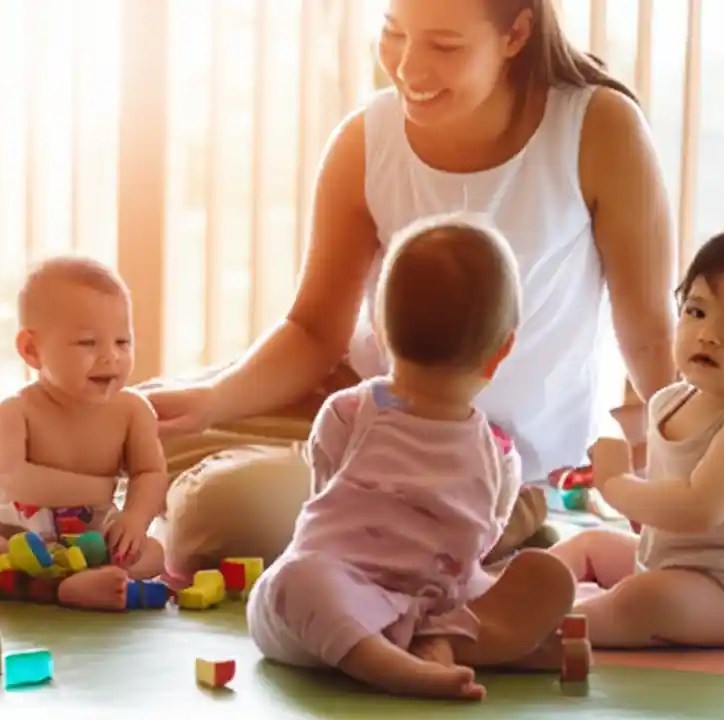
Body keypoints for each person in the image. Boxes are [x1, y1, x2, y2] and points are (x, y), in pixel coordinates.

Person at [141, 0, 677, 582]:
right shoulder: (365, 139)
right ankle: (170, 473)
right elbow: (315, 331)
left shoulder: (598, 130)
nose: (409, 69)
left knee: (218, 518)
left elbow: (648, 335)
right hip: (355, 415)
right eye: (394, 35)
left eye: (444, 47)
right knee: (112, 422)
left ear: (516, 33)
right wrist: (213, 400)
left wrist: (683, 472)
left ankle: (184, 492)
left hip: (495, 468)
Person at [246, 214, 578, 700]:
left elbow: (322, 487)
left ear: (380, 331)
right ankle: (433, 650)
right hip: (393, 598)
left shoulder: (349, 413)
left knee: (546, 576)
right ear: (501, 352)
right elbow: (485, 535)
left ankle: (412, 652)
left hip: (400, 602)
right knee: (306, 579)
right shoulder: (499, 454)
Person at [549, 227, 724, 649]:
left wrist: (616, 485)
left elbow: (695, 509)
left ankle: (539, 628)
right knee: (588, 545)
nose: (707, 335)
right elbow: (663, 496)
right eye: (696, 311)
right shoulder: (669, 401)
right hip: (677, 562)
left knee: (643, 600)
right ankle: (497, 595)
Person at [0, 256, 168, 611]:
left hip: (85, 537)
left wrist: (134, 520)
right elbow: (13, 477)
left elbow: (150, 472)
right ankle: (57, 589)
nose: (111, 357)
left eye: (122, 342)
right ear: (31, 350)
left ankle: (74, 581)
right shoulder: (17, 410)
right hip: (9, 530)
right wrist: (99, 488)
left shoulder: (133, 411)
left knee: (152, 555)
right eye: (88, 343)